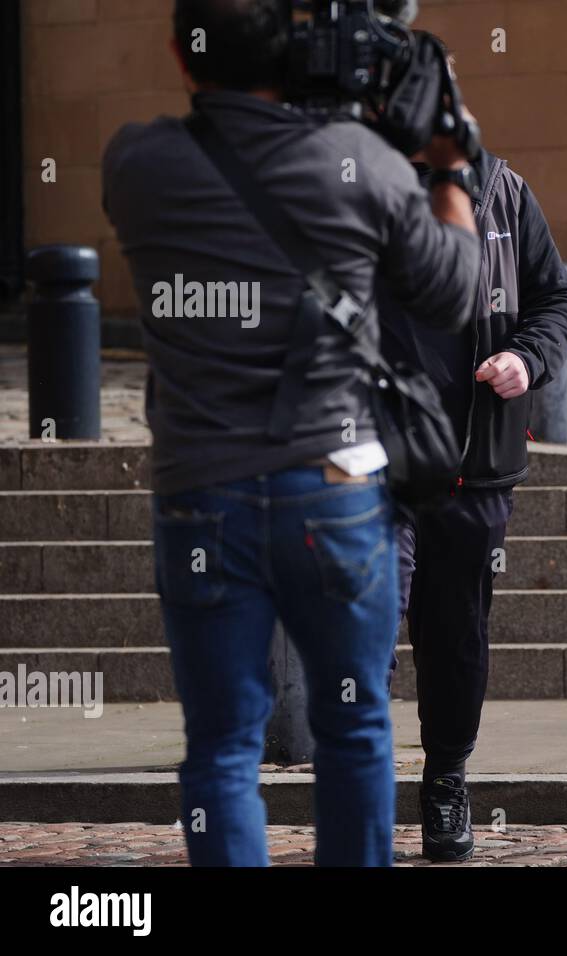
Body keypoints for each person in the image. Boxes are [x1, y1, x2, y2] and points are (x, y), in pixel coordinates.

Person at [101, 0, 481, 866]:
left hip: (200, 495)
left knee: (222, 747)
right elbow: (456, 293)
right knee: (354, 728)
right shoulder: (361, 166)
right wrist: (451, 163)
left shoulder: (135, 163)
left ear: (180, 51)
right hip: (336, 487)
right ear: (299, 49)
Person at [373, 5, 567, 867]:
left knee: (455, 634)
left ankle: (448, 783)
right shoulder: (356, 187)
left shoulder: (503, 191)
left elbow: (555, 299)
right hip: (375, 462)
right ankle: (360, 785)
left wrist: (528, 360)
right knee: (373, 618)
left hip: (472, 461)